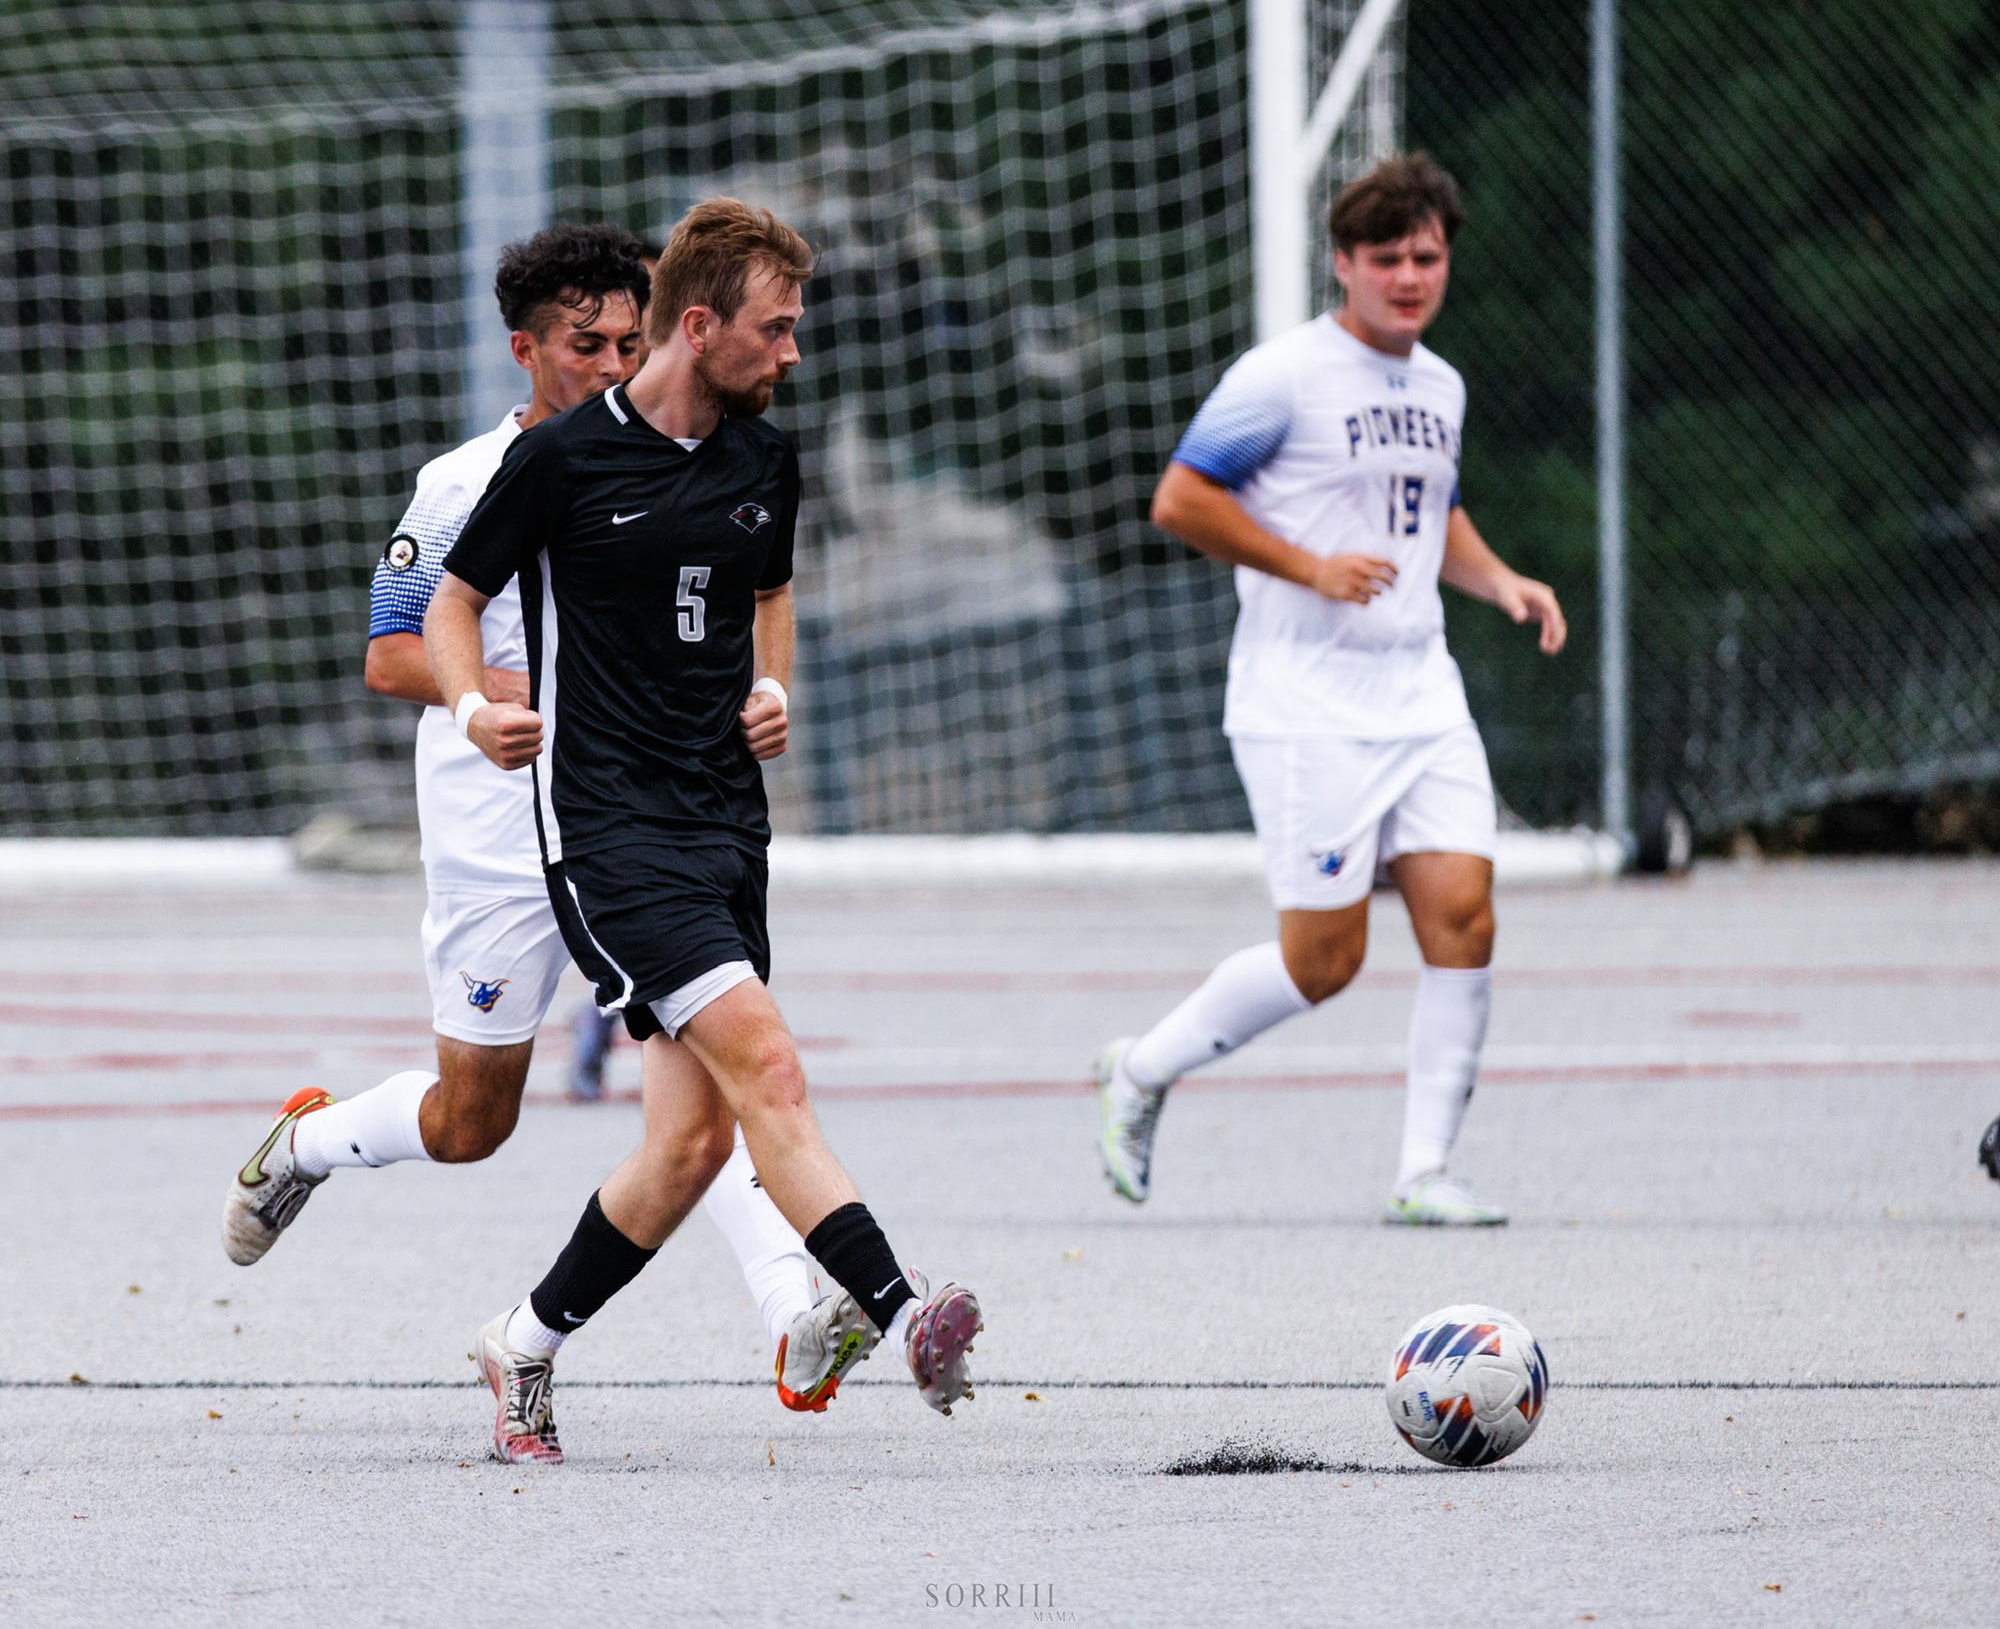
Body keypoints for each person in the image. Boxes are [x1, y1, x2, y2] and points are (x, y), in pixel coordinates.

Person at [222, 223, 869, 1421]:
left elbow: (752, 591)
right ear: (525, 351)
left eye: (627, 340)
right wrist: (493, 696)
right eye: (585, 344)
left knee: (721, 1075)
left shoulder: (695, 457)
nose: (611, 363)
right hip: (494, 832)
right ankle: (308, 1146)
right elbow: (390, 652)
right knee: (474, 1122)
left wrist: (756, 690)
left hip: (634, 821)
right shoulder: (468, 480)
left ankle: (794, 1313)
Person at [425, 197, 983, 1464]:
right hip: (607, 829)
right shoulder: (562, 461)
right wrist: (471, 709)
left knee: (687, 1145)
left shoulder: (764, 461)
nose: (791, 351)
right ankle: (902, 1316)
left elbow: (768, 591)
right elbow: (452, 604)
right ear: (698, 325)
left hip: (726, 822)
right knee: (768, 1063)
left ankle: (521, 1344)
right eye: (774, 328)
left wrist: (773, 684)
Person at [1095, 152, 1566, 1227]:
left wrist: (1499, 580)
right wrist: (1309, 567)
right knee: (1325, 960)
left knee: (1464, 916)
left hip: (1420, 689)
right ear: (1344, 264)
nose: (1409, 277)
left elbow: (1430, 509)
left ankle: (1422, 1172)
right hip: (1304, 701)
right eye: (1386, 258)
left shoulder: (1439, 385)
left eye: (1426, 258)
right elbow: (1180, 499)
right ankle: (1141, 1067)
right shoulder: (1284, 376)